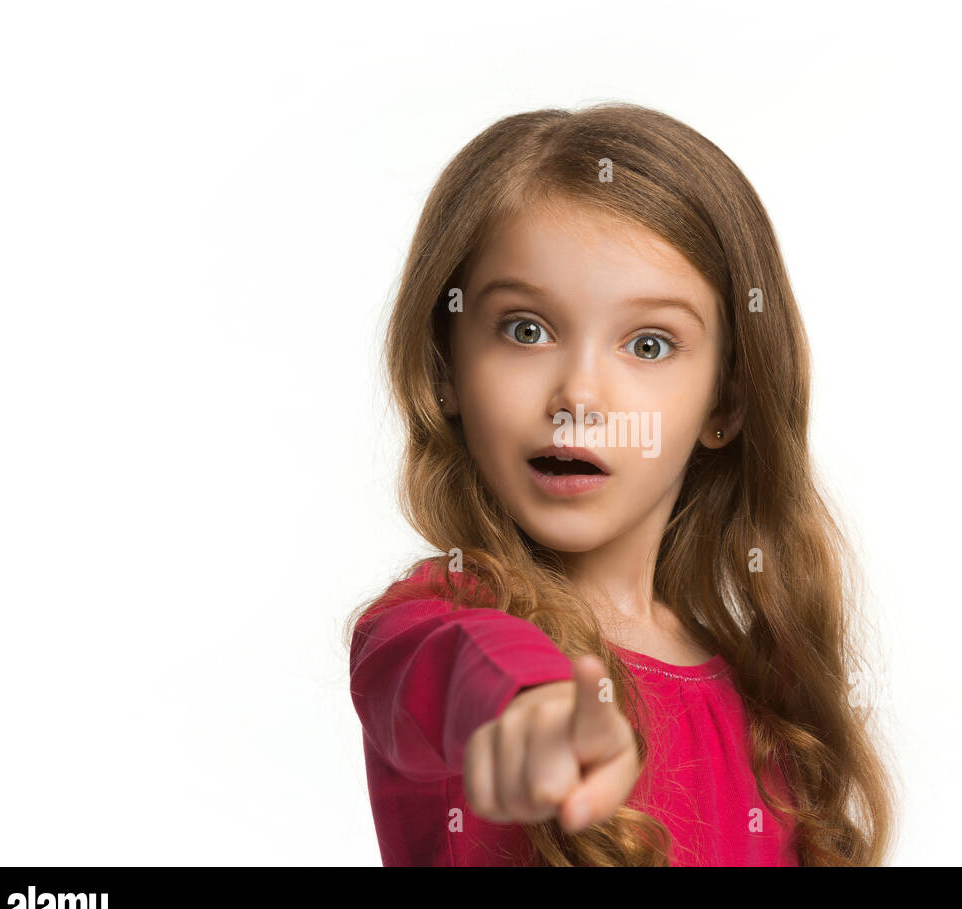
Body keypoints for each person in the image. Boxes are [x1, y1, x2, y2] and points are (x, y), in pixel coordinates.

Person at [346, 103, 896, 866]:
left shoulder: (765, 709)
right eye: (525, 329)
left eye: (648, 343)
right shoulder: (435, 621)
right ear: (445, 369)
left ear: (727, 403)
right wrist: (532, 702)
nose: (579, 394)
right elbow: (454, 665)